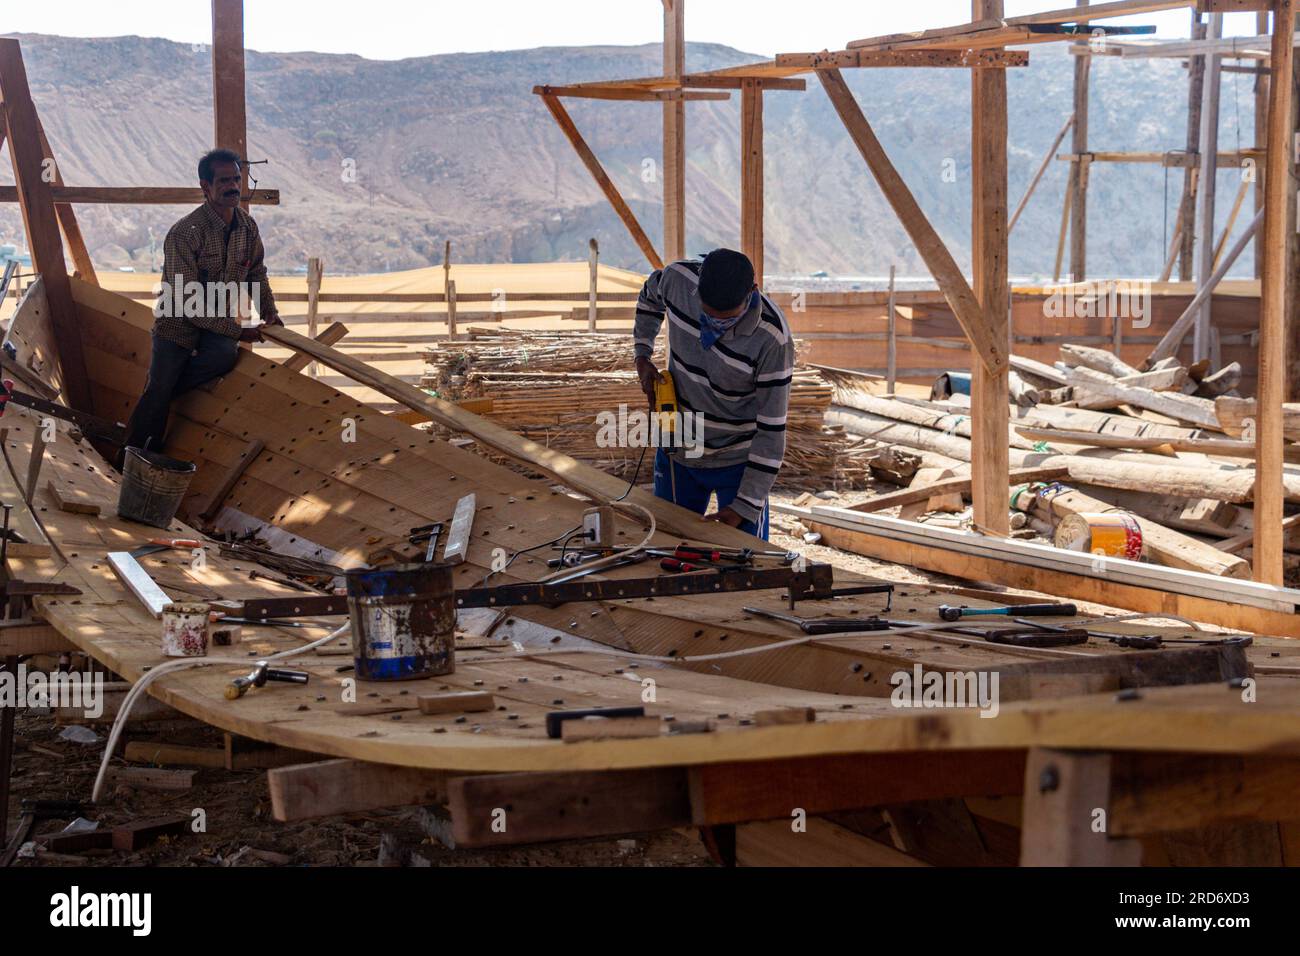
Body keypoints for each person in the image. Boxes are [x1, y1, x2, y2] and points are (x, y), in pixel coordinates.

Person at [122, 148, 281, 456]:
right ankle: (132, 456)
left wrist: (270, 313)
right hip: (177, 321)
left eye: (236, 179)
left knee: (222, 356)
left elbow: (256, 273)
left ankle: (165, 396)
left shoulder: (247, 228)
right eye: (223, 181)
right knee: (158, 389)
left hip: (216, 323)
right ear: (205, 187)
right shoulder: (185, 233)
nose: (233, 186)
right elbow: (186, 300)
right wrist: (239, 331)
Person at [633, 248, 793, 540]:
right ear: (697, 288)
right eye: (708, 315)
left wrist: (745, 506)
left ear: (751, 293)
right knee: (667, 546)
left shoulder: (773, 340)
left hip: (737, 461)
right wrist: (642, 356)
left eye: (727, 319)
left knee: (746, 561)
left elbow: (772, 430)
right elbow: (648, 297)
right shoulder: (677, 280)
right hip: (679, 448)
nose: (716, 326)